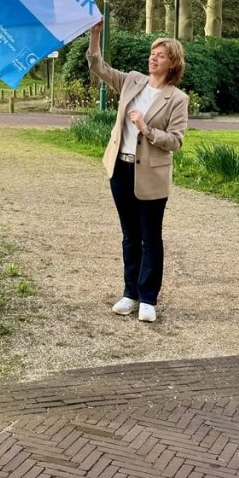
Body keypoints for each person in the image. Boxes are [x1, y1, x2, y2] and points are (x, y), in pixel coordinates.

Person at [86, 21, 189, 323]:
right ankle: (129, 294)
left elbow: (177, 140)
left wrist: (147, 128)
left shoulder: (177, 99)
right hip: (121, 168)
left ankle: (148, 298)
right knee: (129, 235)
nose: (153, 58)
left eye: (160, 55)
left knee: (150, 236)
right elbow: (98, 67)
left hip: (152, 175)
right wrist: (95, 35)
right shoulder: (132, 81)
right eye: (152, 53)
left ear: (172, 64)